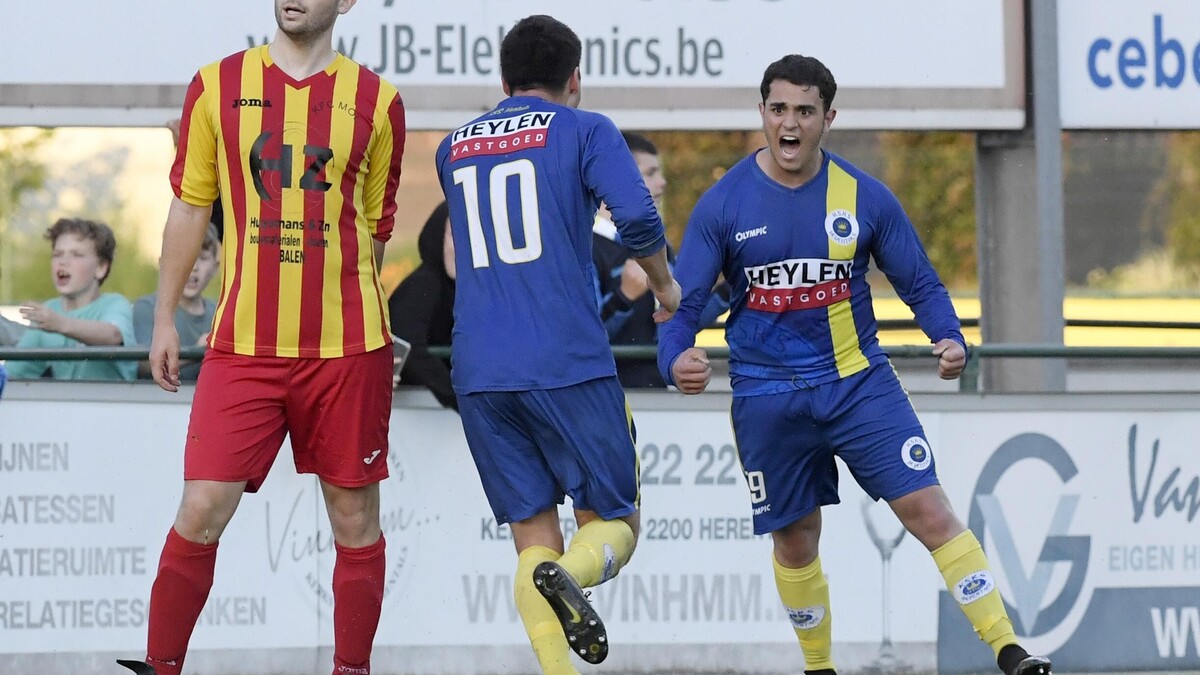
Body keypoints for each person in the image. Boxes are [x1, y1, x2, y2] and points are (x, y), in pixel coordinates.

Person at [657, 55, 1052, 675]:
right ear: (761, 112)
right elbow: (681, 310)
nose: (790, 125)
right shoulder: (723, 205)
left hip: (858, 385)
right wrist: (673, 357)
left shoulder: (864, 196)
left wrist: (948, 336)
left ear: (828, 118)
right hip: (767, 397)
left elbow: (918, 280)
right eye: (779, 109)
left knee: (929, 512)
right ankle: (819, 668)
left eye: (805, 112)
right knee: (795, 540)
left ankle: (1009, 648)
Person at [117, 0, 405, 673]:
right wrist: (164, 316)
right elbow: (191, 206)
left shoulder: (377, 99)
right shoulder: (216, 84)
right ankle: (160, 667)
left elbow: (376, 227)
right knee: (201, 505)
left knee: (354, 520)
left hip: (349, 347)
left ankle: (350, 669)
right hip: (243, 345)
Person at [435, 15, 680, 675]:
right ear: (575, 79)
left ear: (503, 78)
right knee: (617, 523)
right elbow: (635, 215)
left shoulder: (453, 147)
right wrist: (664, 286)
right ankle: (573, 572)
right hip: (564, 358)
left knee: (530, 543)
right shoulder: (586, 127)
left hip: (480, 370)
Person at [593, 131, 730, 388]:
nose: (663, 183)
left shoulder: (658, 247)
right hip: (611, 401)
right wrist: (623, 297)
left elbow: (682, 318)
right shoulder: (585, 248)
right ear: (616, 179)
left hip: (659, 396)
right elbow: (582, 342)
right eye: (650, 173)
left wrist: (731, 287)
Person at [6, 217, 137, 381]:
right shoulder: (49, 311)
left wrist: (59, 324)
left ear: (101, 268)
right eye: (57, 254)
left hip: (115, 404)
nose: (63, 261)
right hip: (66, 404)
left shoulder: (115, 304)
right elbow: (13, 373)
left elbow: (113, 336)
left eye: (77, 255)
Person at [387, 201, 458, 411]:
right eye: (455, 236)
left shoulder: (473, 294)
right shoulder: (424, 284)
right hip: (409, 412)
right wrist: (462, 400)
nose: (465, 247)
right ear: (437, 235)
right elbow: (409, 349)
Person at [132, 222, 220, 381]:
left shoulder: (220, 312)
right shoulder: (146, 307)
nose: (193, 267)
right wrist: (197, 351)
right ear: (163, 263)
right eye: (183, 256)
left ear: (216, 267)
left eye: (202, 258)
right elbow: (142, 364)